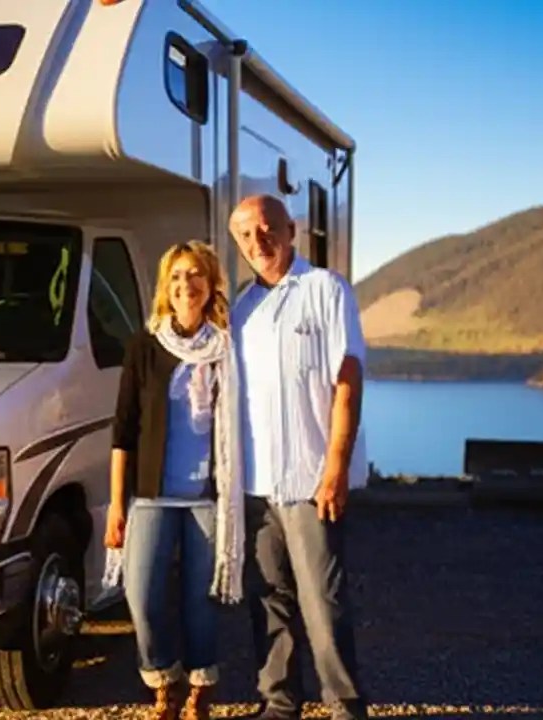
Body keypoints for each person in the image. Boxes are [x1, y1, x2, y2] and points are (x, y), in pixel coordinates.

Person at [227, 194, 370, 720]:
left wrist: (335, 467)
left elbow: (348, 380)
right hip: (256, 485)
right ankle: (279, 704)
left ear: (291, 229)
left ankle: (345, 707)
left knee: (323, 604)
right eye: (245, 235)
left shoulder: (325, 290)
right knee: (269, 601)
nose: (257, 241)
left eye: (267, 229)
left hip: (311, 482)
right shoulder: (241, 309)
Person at [105, 239, 247, 720]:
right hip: (150, 495)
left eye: (195, 275)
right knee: (141, 596)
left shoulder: (227, 349)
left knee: (198, 602)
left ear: (210, 284)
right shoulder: (144, 347)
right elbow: (122, 430)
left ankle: (200, 688)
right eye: (176, 277)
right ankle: (162, 675)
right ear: (167, 288)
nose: (186, 285)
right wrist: (116, 505)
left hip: (209, 498)